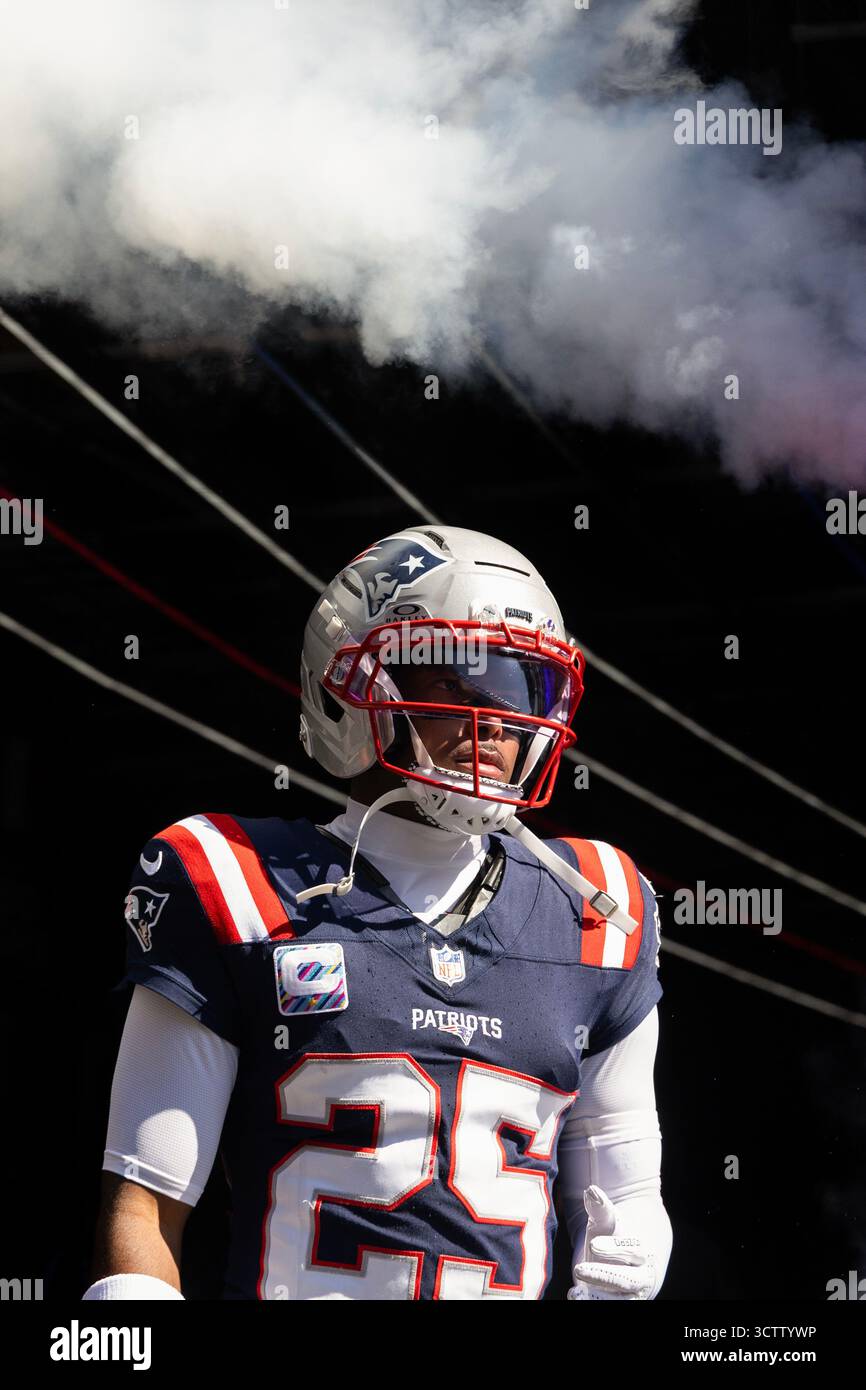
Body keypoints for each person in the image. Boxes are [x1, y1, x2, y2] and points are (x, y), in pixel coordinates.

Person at [85, 525, 672, 1301]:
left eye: (522, 684)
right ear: (349, 686)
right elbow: (146, 1206)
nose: (496, 719)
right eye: (462, 679)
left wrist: (636, 1249)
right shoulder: (232, 880)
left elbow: (626, 1200)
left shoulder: (596, 907)